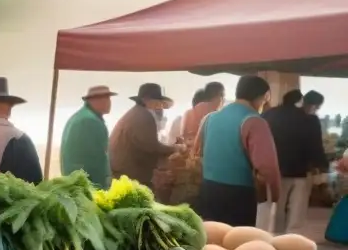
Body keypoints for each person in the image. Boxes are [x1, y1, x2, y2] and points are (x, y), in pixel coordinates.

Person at [195, 75, 281, 227]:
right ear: (265, 96)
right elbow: (267, 166)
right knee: (237, 241)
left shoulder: (211, 118)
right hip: (239, 193)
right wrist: (274, 194)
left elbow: (198, 151)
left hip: (208, 188)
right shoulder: (254, 121)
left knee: (213, 237)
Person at [263, 90, 326, 234]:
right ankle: (292, 238)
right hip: (300, 171)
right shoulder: (310, 120)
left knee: (275, 208)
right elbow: (315, 146)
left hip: (275, 169)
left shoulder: (269, 114)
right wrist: (321, 166)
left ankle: (273, 235)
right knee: (297, 210)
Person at [108, 83, 178, 188]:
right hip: (127, 174)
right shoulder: (143, 116)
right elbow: (151, 147)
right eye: (157, 102)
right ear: (146, 100)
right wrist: (175, 149)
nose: (159, 107)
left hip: (121, 170)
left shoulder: (137, 113)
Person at [60, 85, 116, 189]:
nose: (109, 103)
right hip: (87, 184)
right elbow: (97, 160)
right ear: (93, 100)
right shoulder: (91, 121)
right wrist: (104, 186)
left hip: (73, 181)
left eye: (109, 98)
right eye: (105, 99)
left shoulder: (79, 117)